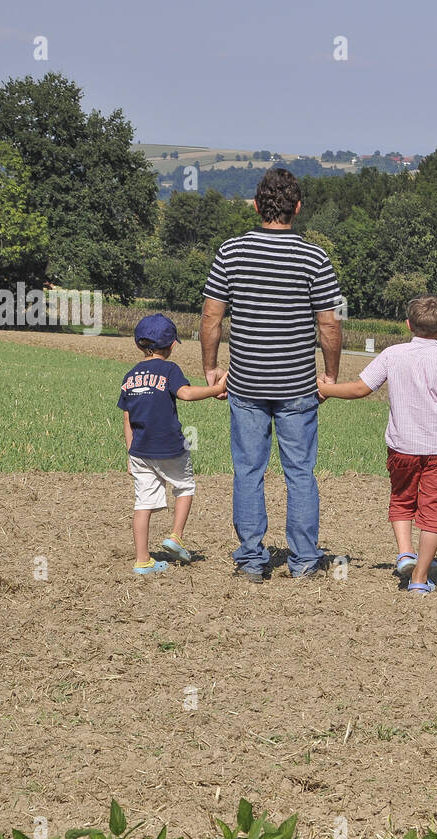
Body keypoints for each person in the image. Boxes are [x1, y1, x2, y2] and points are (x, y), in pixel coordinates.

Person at [199, 168, 344, 583]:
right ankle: (302, 562)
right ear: (297, 208)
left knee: (248, 471)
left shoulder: (230, 252)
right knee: (299, 472)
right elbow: (329, 326)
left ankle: (250, 561)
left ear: (258, 205)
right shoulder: (315, 257)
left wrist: (211, 368)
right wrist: (329, 375)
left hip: (245, 382)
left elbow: (212, 316)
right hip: (298, 384)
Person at [316, 295, 437, 594]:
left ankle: (404, 552)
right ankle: (420, 579)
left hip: (402, 446)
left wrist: (327, 389)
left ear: (408, 324)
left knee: (401, 498)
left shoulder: (392, 355)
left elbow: (361, 388)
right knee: (433, 511)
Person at [118, 314, 227, 576]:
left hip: (140, 451)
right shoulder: (169, 369)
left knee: (143, 504)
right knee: (185, 486)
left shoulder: (130, 375)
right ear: (172, 345)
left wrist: (130, 454)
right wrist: (217, 389)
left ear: (138, 344)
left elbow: (127, 418)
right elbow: (186, 394)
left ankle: (142, 561)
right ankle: (175, 536)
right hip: (169, 447)